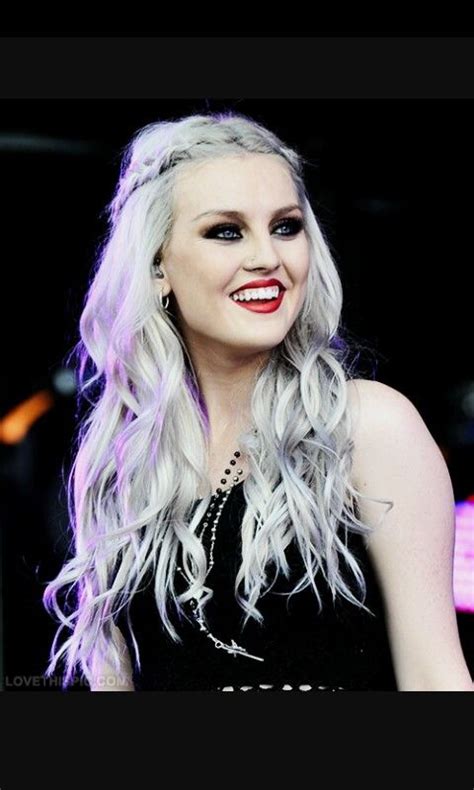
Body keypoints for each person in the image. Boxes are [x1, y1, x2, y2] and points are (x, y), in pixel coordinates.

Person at [43, 111, 473, 692]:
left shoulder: (367, 426)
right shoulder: (123, 464)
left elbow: (434, 678)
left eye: (286, 227)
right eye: (227, 231)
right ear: (157, 265)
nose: (267, 257)